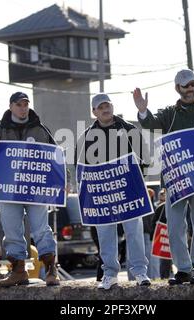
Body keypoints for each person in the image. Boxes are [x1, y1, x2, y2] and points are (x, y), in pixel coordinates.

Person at [134, 69, 194, 285]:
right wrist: (143, 111)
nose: (190, 89)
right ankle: (183, 270)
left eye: (192, 84)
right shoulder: (169, 113)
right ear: (177, 88)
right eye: (185, 86)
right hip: (175, 179)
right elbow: (151, 126)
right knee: (174, 227)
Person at [0, 92, 60, 287]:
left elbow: (55, 155)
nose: (23, 108)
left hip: (35, 190)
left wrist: (63, 180)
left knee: (41, 229)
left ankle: (51, 269)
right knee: (11, 230)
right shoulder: (0, 128)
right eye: (19, 104)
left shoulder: (40, 128)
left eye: (25, 104)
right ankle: (18, 271)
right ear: (11, 107)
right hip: (8, 188)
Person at [76, 93, 151, 290]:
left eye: (107, 105)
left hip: (128, 192)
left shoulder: (128, 129)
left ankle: (140, 272)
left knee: (134, 231)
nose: (105, 109)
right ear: (94, 112)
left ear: (112, 106)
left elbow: (145, 158)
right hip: (102, 195)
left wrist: (136, 179)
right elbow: (80, 168)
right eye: (100, 107)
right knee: (105, 233)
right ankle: (109, 273)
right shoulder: (86, 137)